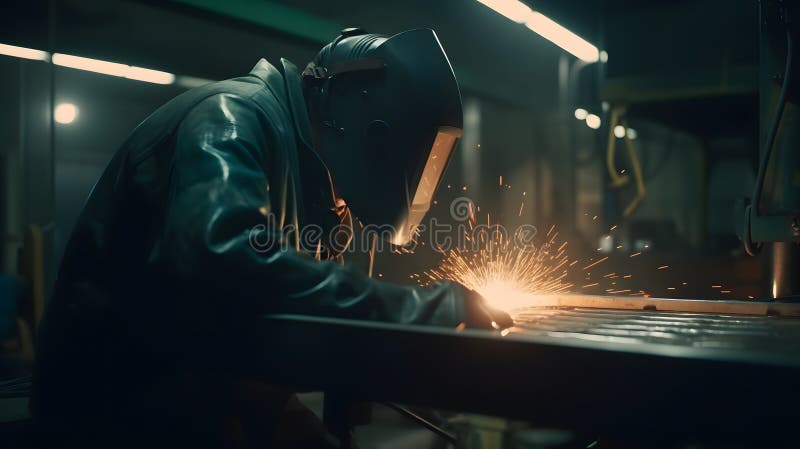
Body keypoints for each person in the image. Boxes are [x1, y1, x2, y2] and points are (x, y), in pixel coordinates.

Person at [32, 28, 511, 447]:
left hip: (213, 386)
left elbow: (292, 293)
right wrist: (426, 310)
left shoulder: (312, 172)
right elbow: (226, 255)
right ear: (362, 122)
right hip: (119, 401)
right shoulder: (230, 119)